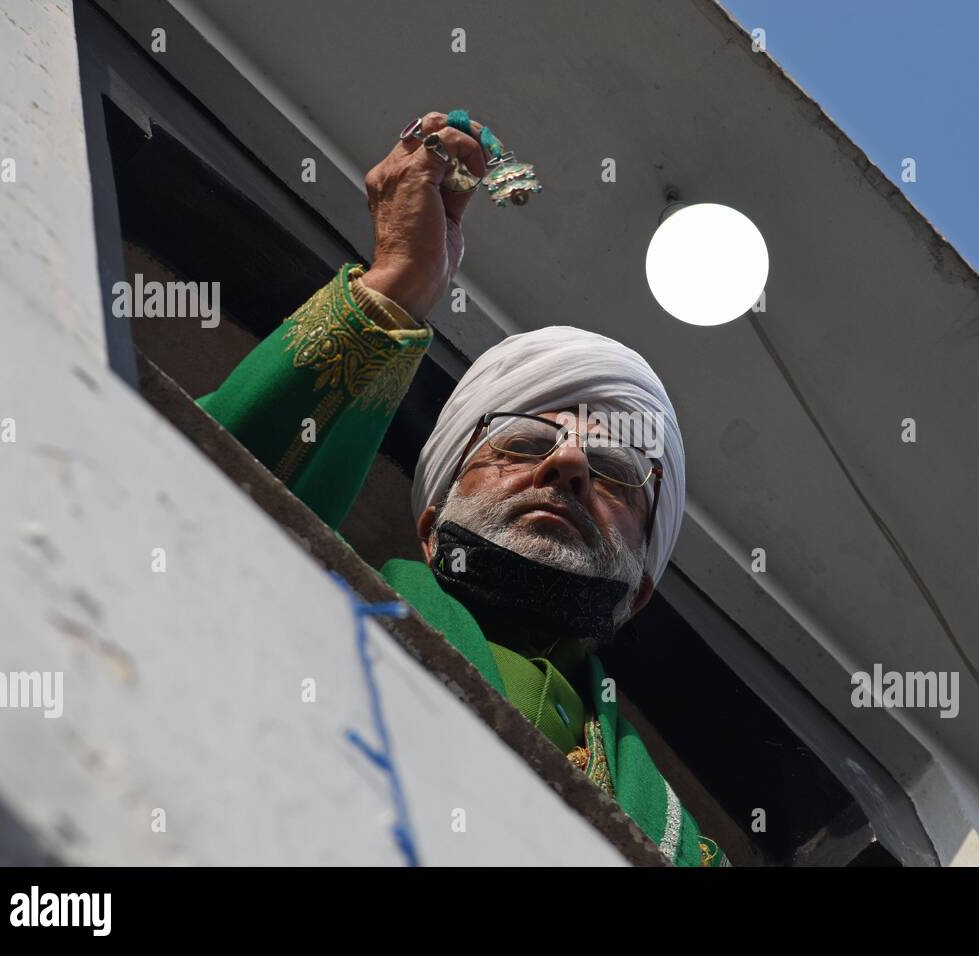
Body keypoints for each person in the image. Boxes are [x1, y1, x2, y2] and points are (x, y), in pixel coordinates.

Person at [198, 111, 727, 867]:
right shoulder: (296, 597)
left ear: (642, 587)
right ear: (432, 516)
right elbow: (194, 489)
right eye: (523, 443)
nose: (569, 467)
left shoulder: (691, 853)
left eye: (613, 471)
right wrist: (396, 285)